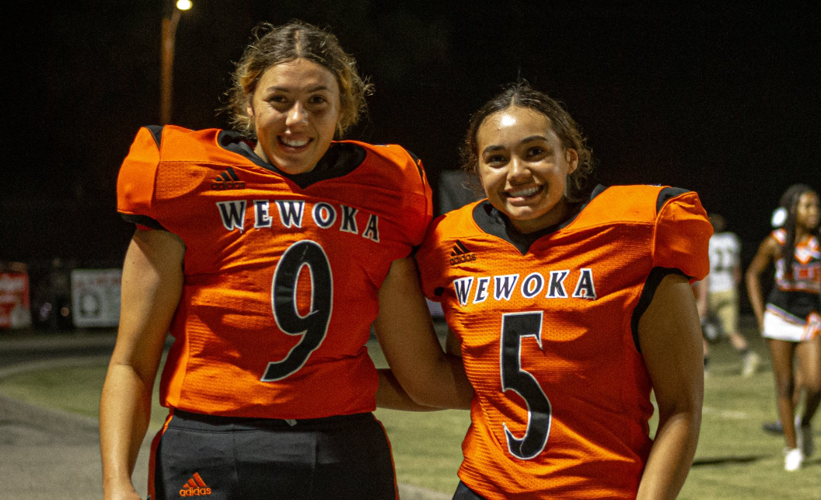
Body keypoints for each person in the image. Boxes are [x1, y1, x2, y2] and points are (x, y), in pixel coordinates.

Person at [99, 20, 470, 500]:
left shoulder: (385, 193)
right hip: (213, 442)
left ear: (342, 108)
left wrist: (539, 378)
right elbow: (132, 361)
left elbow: (422, 378)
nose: (297, 119)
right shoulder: (186, 180)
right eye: (279, 100)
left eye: (317, 101)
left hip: (341, 446)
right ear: (249, 101)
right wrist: (116, 482)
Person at [409, 81, 711, 499]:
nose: (517, 172)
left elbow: (681, 408)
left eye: (535, 152)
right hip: (483, 487)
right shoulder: (452, 242)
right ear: (477, 171)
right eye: (496, 159)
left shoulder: (637, 232)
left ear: (570, 157)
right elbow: (466, 377)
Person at [745, 183, 821, 471]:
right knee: (786, 384)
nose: (814, 211)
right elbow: (752, 275)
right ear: (792, 210)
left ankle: (805, 423)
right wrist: (760, 317)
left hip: (810, 316)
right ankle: (791, 447)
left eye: (816, 206)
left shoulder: (818, 243)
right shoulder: (775, 241)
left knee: (815, 383)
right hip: (779, 316)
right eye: (807, 206)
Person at [700, 213, 761, 377]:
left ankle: (704, 367)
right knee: (731, 330)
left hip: (712, 291)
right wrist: (735, 289)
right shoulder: (731, 240)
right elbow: (737, 271)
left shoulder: (706, 243)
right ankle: (749, 356)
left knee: (699, 330)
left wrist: (703, 301)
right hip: (729, 289)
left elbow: (705, 275)